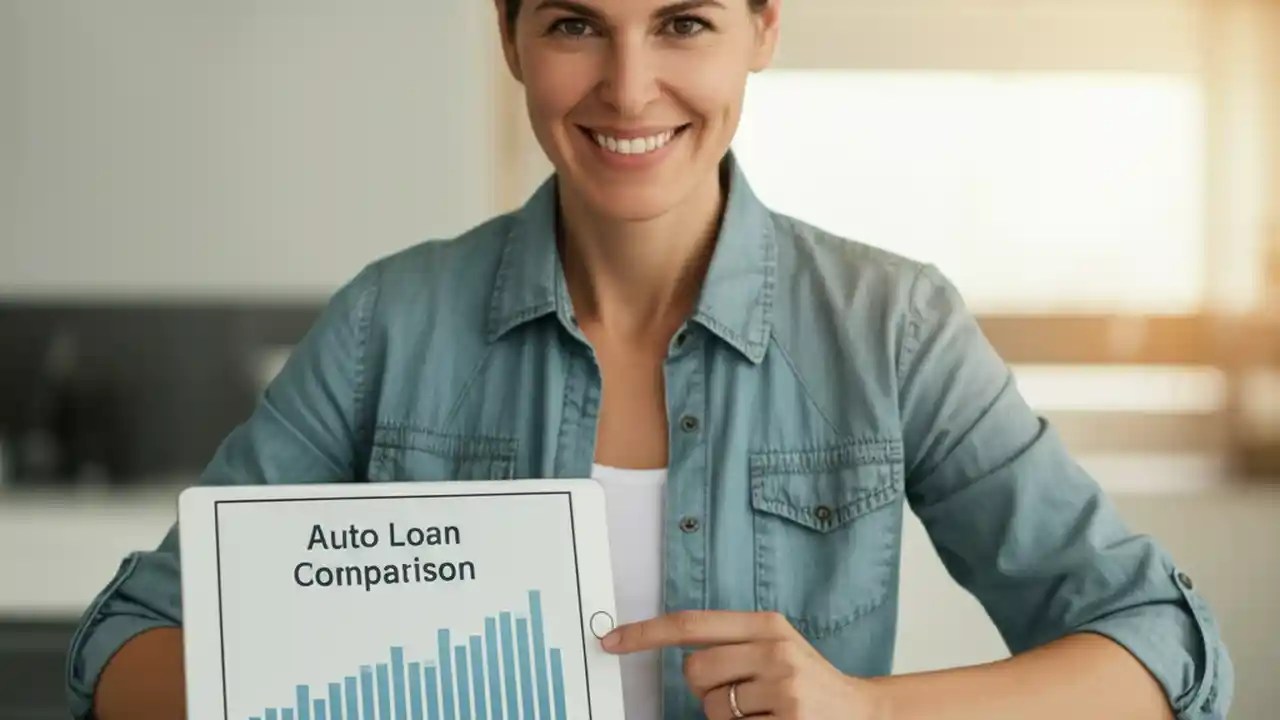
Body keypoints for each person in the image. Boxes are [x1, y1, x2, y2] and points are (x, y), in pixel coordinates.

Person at [68, 1, 1234, 718]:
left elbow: (1159, 648)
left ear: (761, 28)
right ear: (511, 37)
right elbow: (124, 645)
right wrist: (339, 697)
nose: (628, 88)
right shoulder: (387, 322)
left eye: (682, 21)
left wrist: (864, 714)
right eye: (575, 22)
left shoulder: (892, 324)